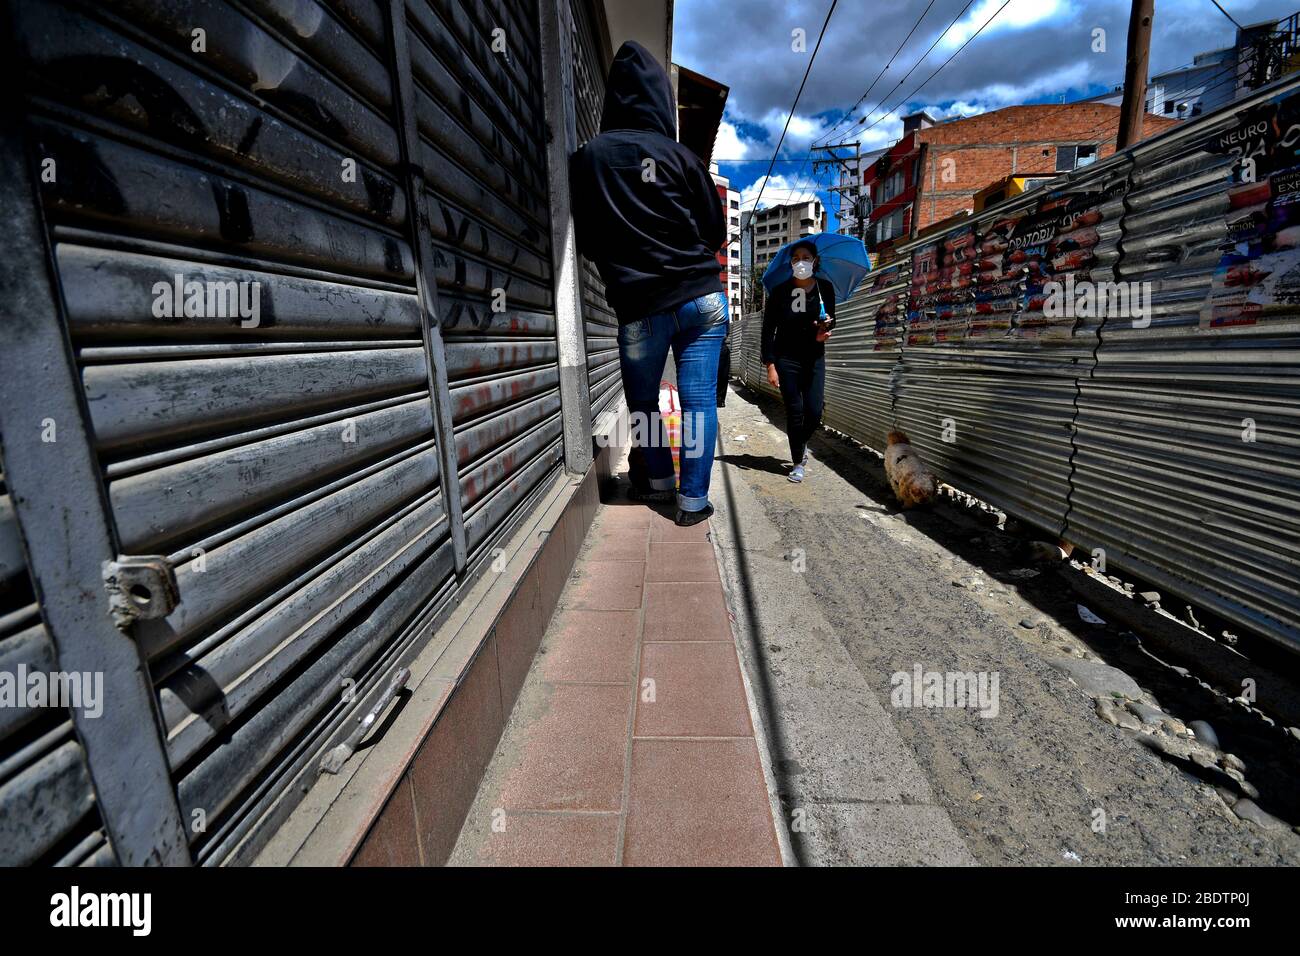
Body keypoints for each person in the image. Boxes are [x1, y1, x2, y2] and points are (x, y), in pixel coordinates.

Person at [569, 41, 728, 526]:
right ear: (660, 99)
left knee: (642, 404)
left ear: (613, 97)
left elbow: (589, 240)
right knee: (699, 401)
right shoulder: (682, 158)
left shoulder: (588, 159)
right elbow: (715, 232)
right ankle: (692, 503)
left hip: (638, 306)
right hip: (700, 297)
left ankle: (658, 486)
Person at [761, 241, 835, 482]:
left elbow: (832, 321)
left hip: (814, 358)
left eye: (805, 256)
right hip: (786, 359)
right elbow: (767, 330)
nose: (800, 261)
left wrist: (824, 331)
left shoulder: (825, 289)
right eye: (795, 258)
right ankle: (796, 463)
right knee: (795, 411)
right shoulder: (779, 292)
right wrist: (770, 365)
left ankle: (800, 443)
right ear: (790, 263)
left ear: (815, 261)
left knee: (813, 412)